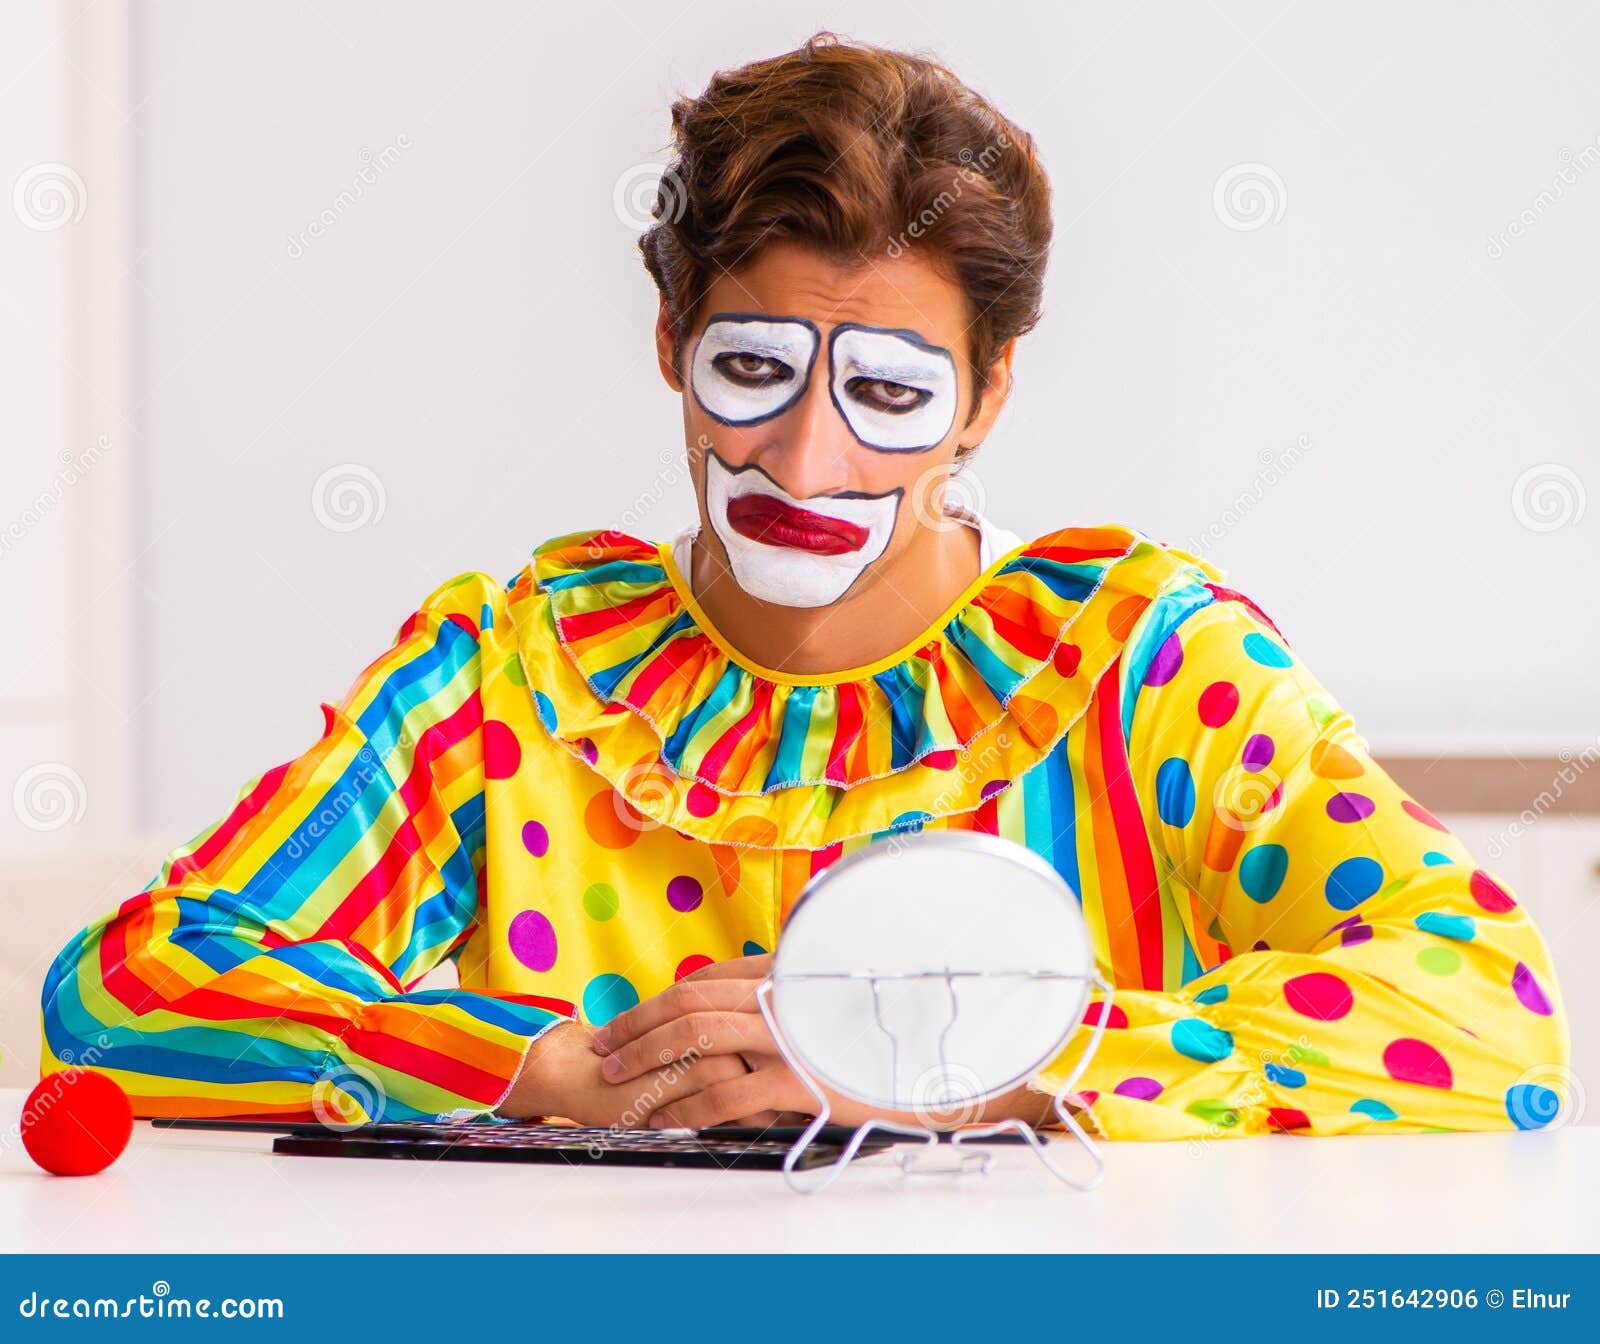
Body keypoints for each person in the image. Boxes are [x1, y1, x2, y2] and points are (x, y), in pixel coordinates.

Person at [41, 32, 1569, 1140]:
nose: (808, 451)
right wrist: (527, 1066)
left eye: (890, 393)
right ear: (670, 350)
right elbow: (127, 991)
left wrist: (987, 1065)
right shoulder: (506, 680)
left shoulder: (1145, 671)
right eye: (756, 369)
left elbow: (1483, 1010)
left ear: (987, 397)